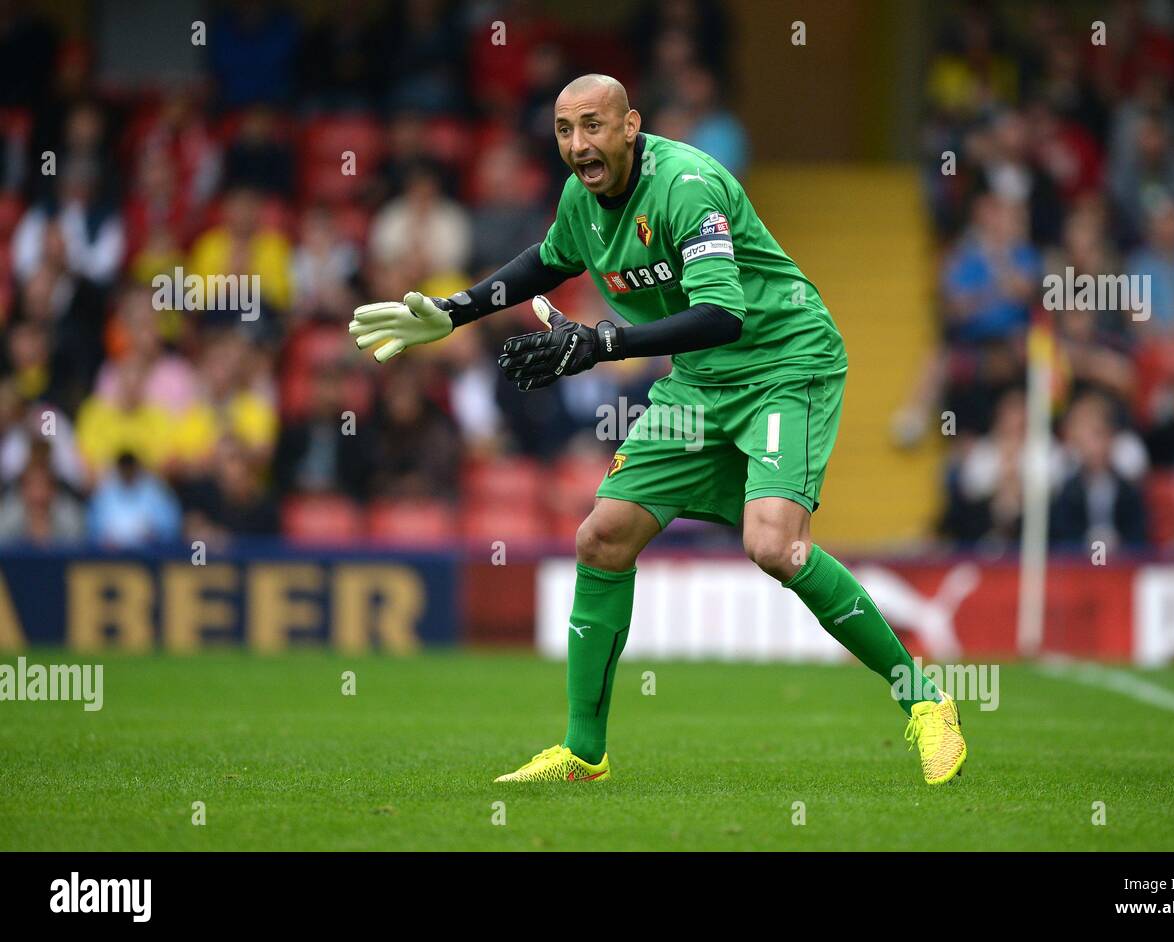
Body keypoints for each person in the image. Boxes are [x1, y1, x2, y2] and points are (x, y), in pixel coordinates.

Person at [348, 75, 968, 785]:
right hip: (701, 383)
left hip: (782, 363)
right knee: (602, 536)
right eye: (563, 130)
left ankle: (925, 702)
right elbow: (550, 261)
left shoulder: (687, 185)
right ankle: (584, 754)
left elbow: (723, 315)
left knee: (775, 545)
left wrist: (602, 343)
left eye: (593, 126)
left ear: (630, 125)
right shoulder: (582, 198)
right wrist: (456, 311)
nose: (578, 145)